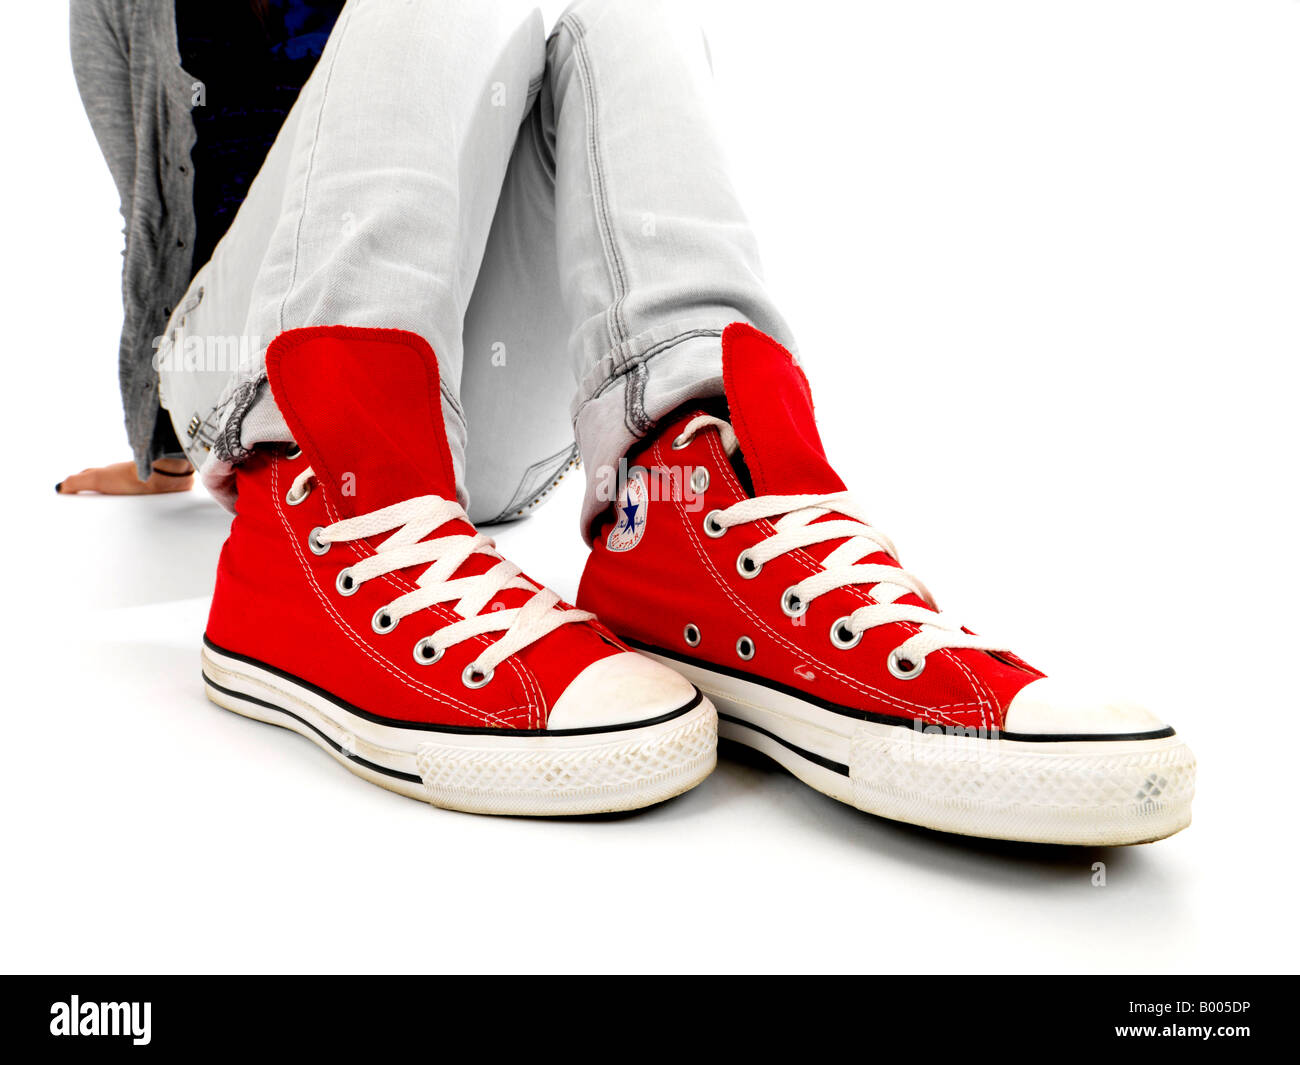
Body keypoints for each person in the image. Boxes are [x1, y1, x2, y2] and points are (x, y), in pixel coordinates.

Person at [67, 0, 1196, 842]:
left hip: (465, 414)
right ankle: (316, 499)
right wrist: (159, 447)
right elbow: (153, 216)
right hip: (266, 373)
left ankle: (691, 480)